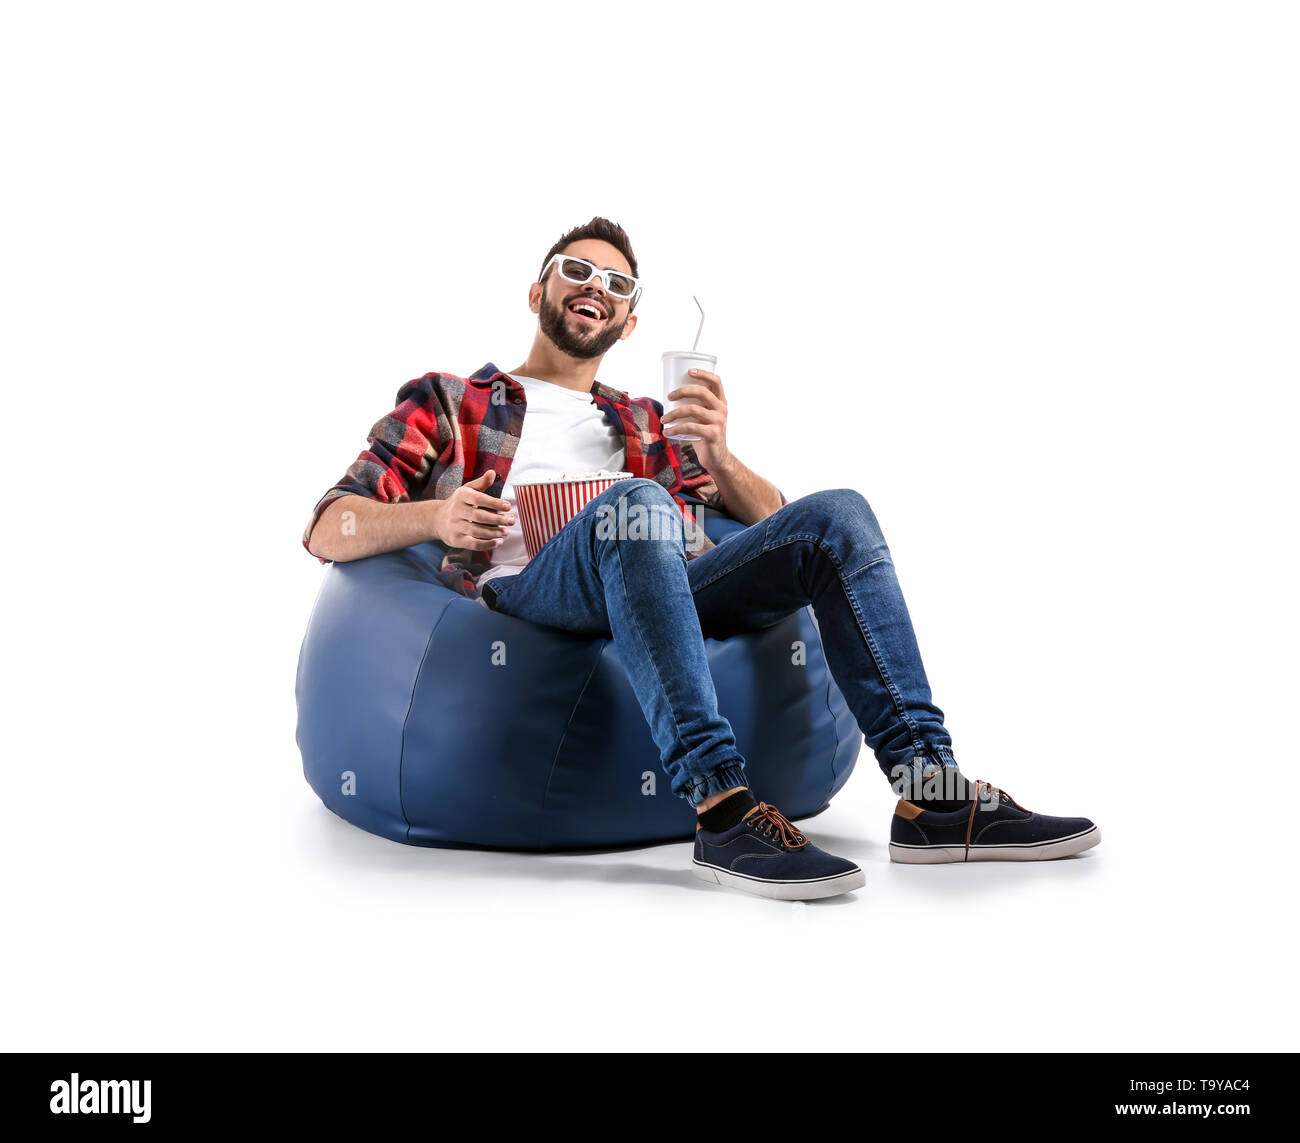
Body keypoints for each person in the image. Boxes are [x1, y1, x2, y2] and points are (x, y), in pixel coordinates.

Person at [303, 216, 1100, 900]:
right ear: (538, 291)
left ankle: (933, 796)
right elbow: (329, 525)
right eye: (575, 271)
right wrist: (438, 514)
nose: (596, 287)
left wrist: (719, 457)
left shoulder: (649, 420)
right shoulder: (450, 398)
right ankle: (722, 807)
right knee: (638, 506)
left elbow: (782, 533)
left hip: (660, 584)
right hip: (526, 594)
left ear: (631, 323)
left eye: (618, 285)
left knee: (839, 513)